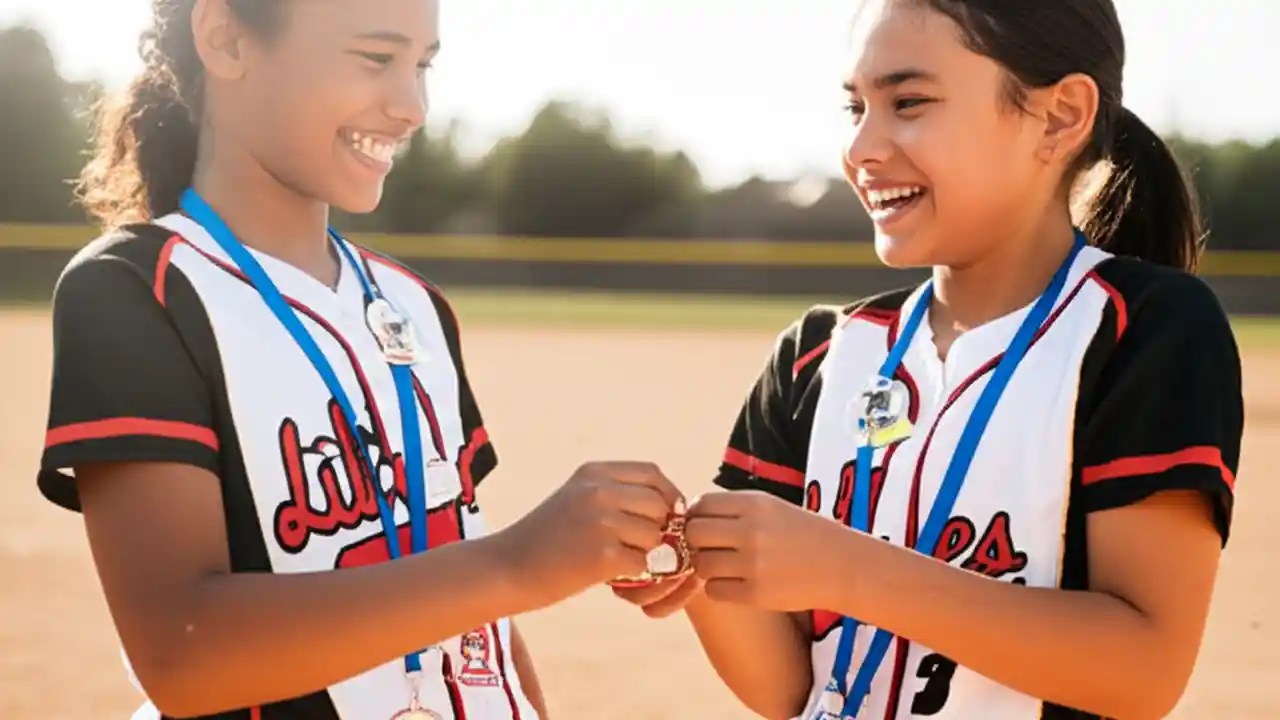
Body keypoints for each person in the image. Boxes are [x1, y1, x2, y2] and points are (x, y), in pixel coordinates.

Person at [40, 1, 683, 718]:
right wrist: (518, 563)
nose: (412, 107)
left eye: (424, 65)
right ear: (225, 38)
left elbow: (473, 610)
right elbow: (180, 656)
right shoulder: (142, 290)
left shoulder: (413, 303)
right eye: (377, 59)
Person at [614, 2, 1243, 719]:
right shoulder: (818, 354)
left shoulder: (1142, 330)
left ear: (1061, 116)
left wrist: (846, 569)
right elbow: (790, 687)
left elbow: (1143, 671)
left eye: (908, 103)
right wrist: (694, 571)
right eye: (857, 108)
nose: (862, 148)